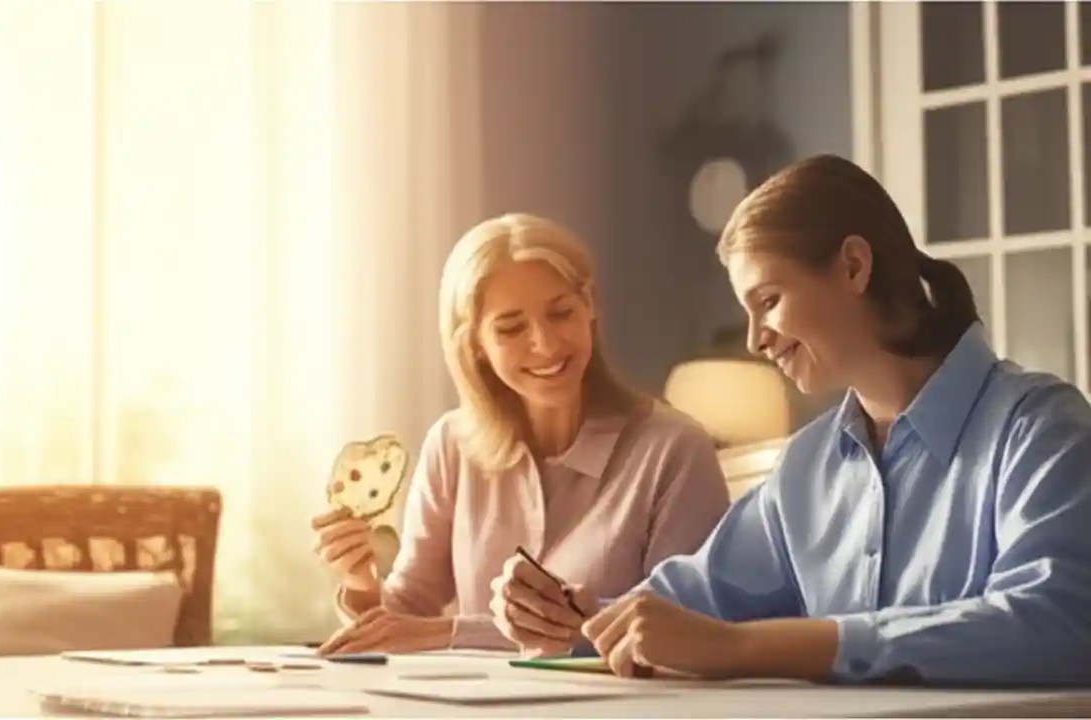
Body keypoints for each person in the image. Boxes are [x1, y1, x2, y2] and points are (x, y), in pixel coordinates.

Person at [491, 155, 1091, 685]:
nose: (754, 339)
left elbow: (1056, 619)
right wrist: (569, 618)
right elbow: (696, 601)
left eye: (769, 300)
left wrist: (745, 647)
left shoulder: (1038, 429)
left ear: (854, 266)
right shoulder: (808, 466)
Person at [310, 212, 730, 654]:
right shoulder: (452, 446)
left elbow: (677, 626)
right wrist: (360, 580)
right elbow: (409, 613)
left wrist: (454, 633)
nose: (546, 345)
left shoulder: (675, 451)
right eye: (511, 328)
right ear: (474, 342)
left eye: (562, 313)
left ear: (589, 307)